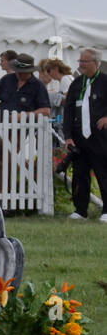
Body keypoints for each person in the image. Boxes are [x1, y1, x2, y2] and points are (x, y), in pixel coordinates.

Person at [62, 49, 107, 221]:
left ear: (95, 63)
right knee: (80, 174)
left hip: (100, 138)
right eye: (79, 61)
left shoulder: (104, 81)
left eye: (84, 61)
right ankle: (80, 210)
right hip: (79, 138)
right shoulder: (76, 83)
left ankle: (106, 211)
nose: (80, 65)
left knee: (103, 173)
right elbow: (68, 110)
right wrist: (68, 136)